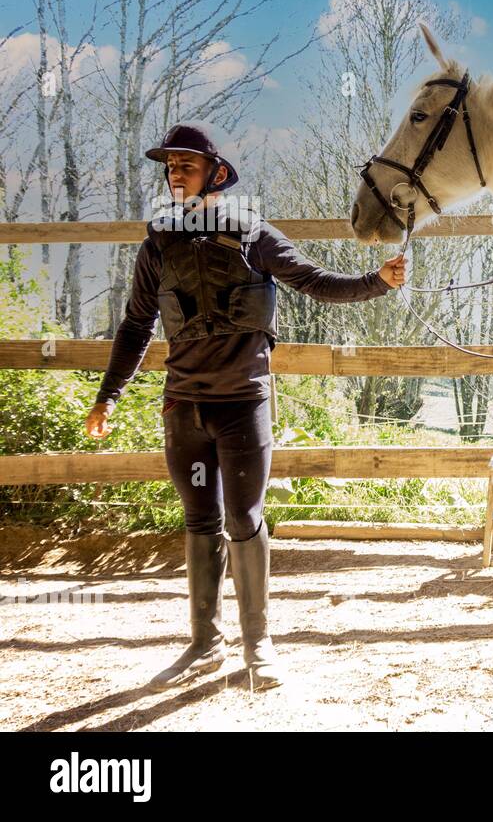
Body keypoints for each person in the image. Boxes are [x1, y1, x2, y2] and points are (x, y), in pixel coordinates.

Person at [84, 121, 406, 690]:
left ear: (215, 173)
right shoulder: (159, 242)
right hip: (183, 406)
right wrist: (107, 395)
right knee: (198, 520)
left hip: (242, 404)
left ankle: (259, 645)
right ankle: (206, 643)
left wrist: (375, 281)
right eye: (169, 167)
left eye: (185, 165)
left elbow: (313, 281)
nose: (173, 174)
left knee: (243, 519)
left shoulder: (254, 234)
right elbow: (136, 323)